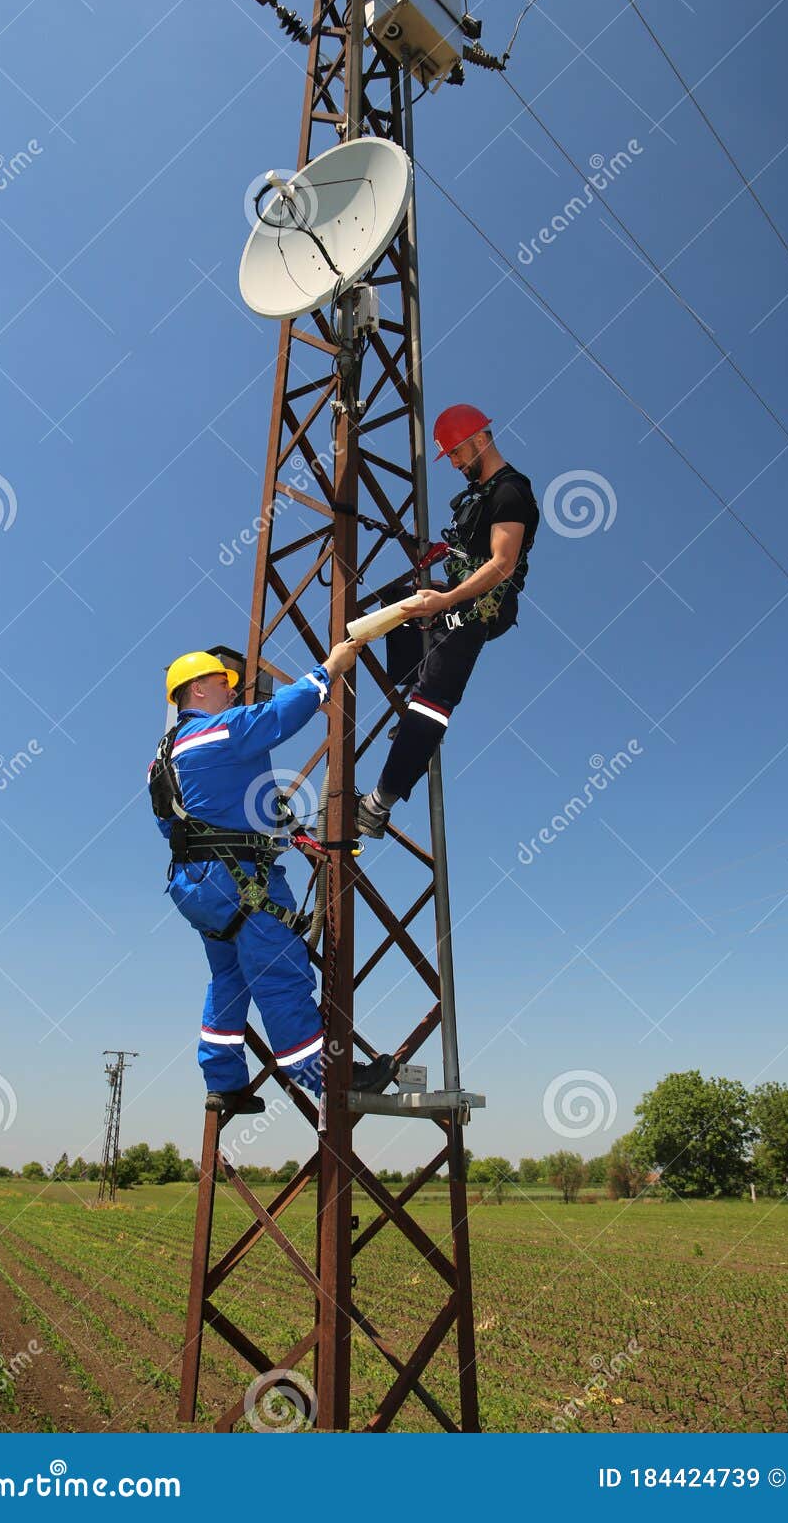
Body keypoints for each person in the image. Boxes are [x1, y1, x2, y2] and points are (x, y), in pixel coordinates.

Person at [149, 646, 398, 1112]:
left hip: (194, 885)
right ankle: (334, 1081)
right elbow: (279, 714)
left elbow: (180, 824)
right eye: (222, 682)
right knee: (280, 972)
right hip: (235, 880)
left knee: (229, 978)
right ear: (197, 689)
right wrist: (328, 671)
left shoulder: (163, 757)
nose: (231, 687)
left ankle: (224, 1084)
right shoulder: (219, 731)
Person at [356, 404, 539, 838]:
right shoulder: (482, 491)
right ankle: (413, 706)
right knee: (400, 603)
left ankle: (378, 805)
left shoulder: (511, 491)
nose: (454, 464)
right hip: (456, 598)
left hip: (479, 610)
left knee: (432, 705)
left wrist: (447, 600)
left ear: (480, 439)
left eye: (456, 454)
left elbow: (502, 564)